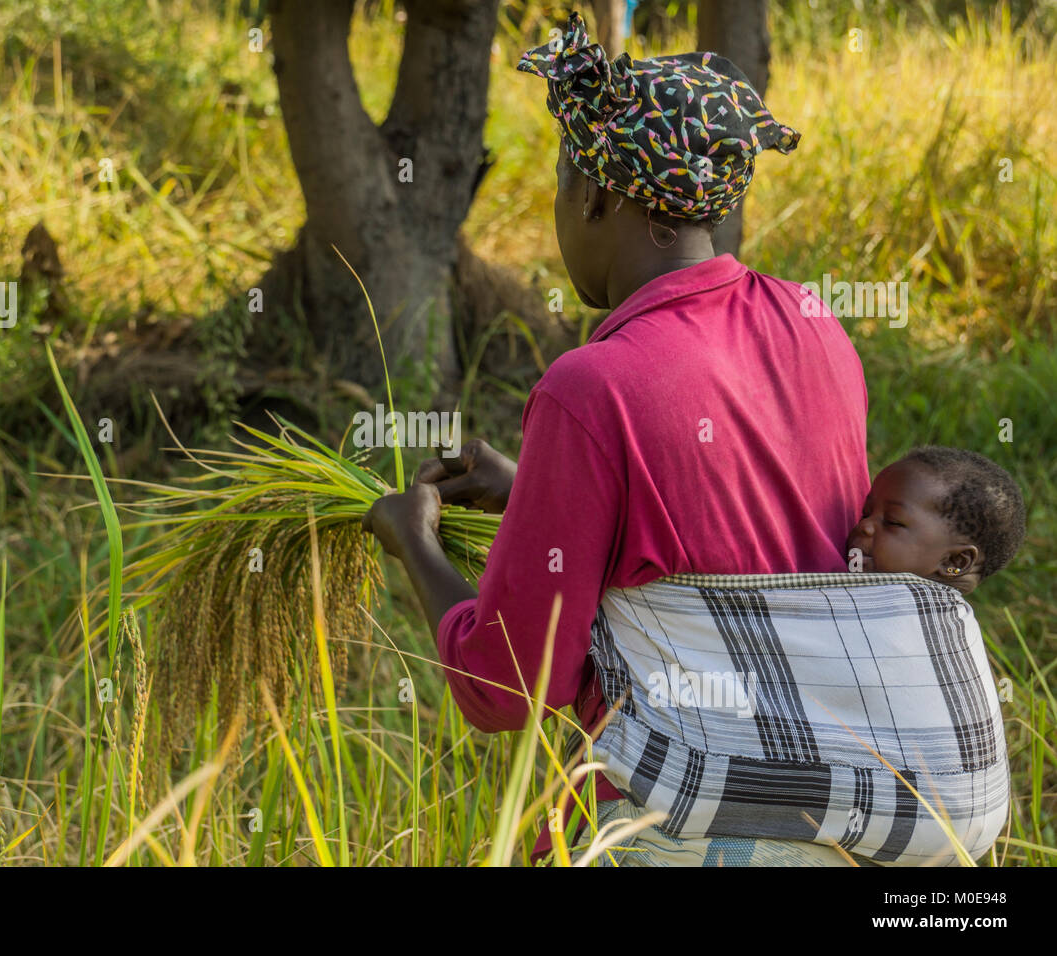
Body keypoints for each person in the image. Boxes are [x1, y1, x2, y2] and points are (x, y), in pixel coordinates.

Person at [361, 12, 870, 863]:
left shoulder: (591, 386)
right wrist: (539, 491)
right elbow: (740, 543)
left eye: (562, 189)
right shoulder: (815, 323)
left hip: (689, 824)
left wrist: (413, 542)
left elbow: (510, 684)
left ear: (598, 195)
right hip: (840, 800)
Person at [846, 445, 1026, 592]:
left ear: (954, 562)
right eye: (866, 513)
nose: (864, 526)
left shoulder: (909, 625)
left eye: (893, 522)